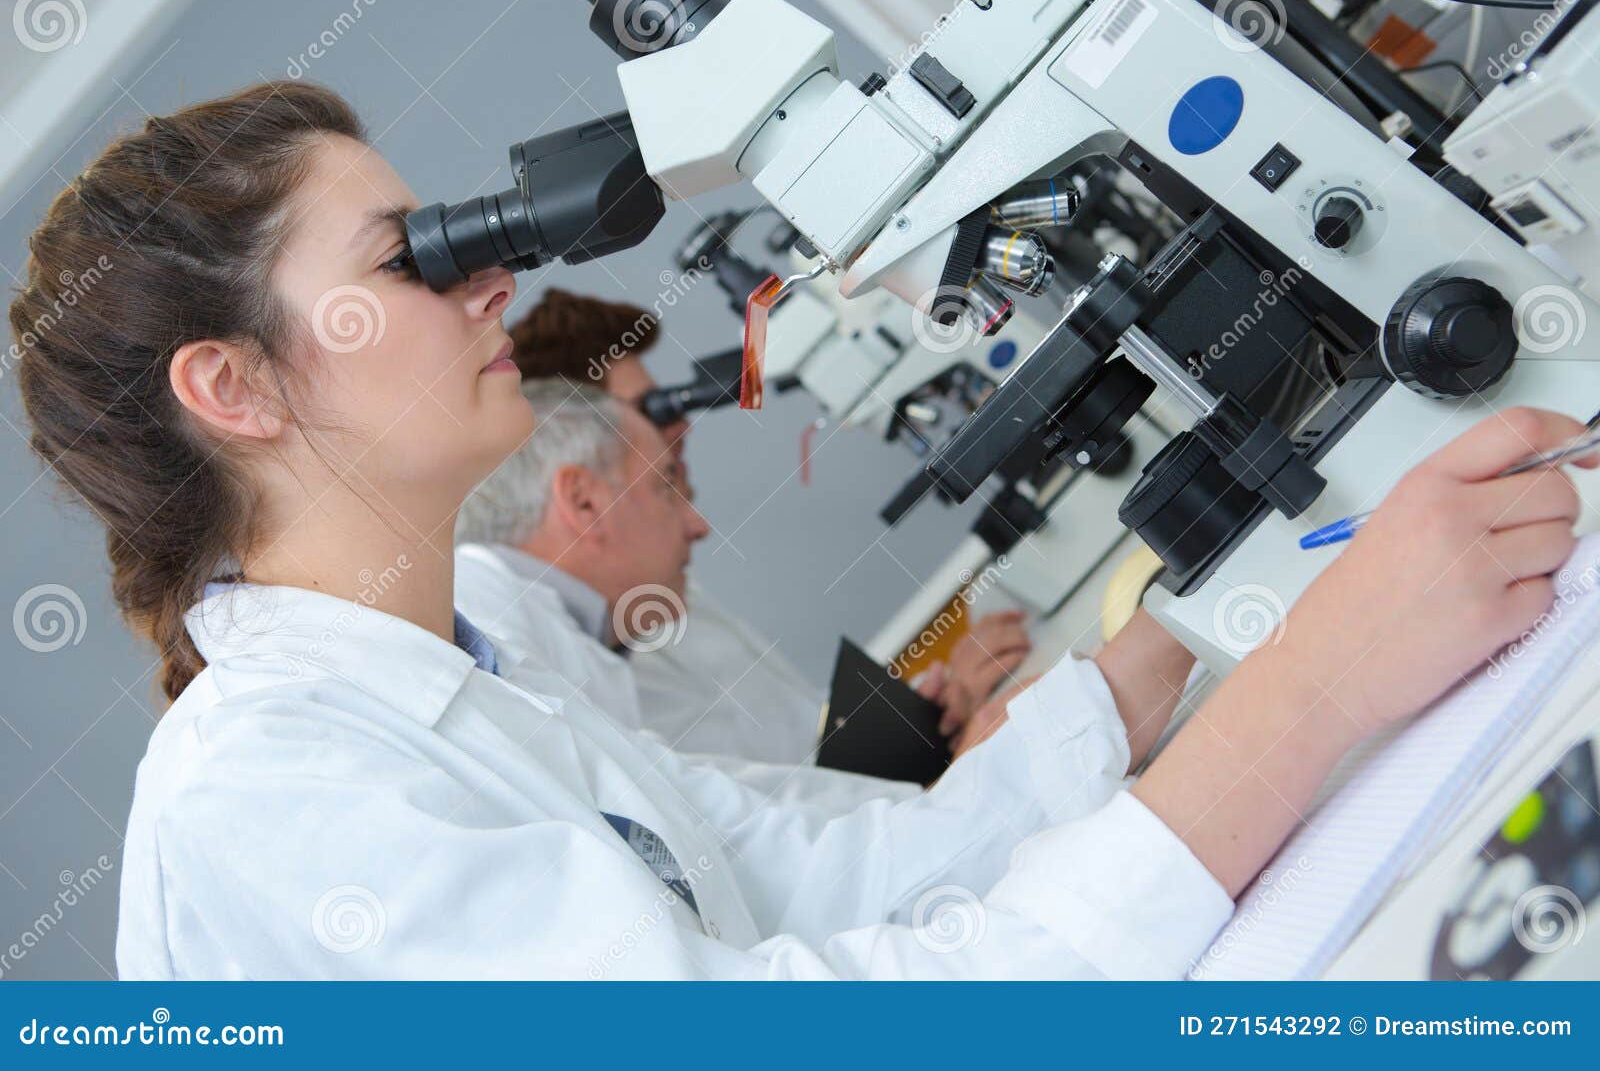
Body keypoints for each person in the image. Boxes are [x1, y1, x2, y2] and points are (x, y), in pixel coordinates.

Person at [14, 80, 1592, 979]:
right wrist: (1313, 693)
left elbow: (851, 868)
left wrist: (1192, 621)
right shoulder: (275, 798)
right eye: (410, 256)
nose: (489, 278)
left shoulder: (481, 668)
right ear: (235, 386)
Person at [469, 289, 1028, 762]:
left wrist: (925, 721)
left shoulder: (649, 578)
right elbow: (772, 814)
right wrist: (938, 755)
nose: (677, 427)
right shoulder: (609, 634)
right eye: (647, 412)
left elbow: (802, 748)